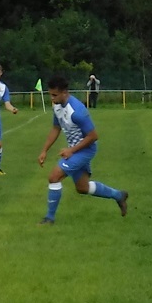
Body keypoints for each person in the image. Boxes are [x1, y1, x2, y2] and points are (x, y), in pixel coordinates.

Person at [37, 75, 128, 225]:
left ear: (65, 92)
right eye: (50, 94)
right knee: (82, 188)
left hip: (85, 150)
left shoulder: (77, 111)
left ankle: (49, 218)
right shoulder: (57, 106)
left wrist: (71, 150)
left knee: (54, 177)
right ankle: (119, 195)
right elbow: (56, 127)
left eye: (54, 95)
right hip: (75, 150)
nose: (52, 98)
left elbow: (93, 136)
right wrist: (44, 150)